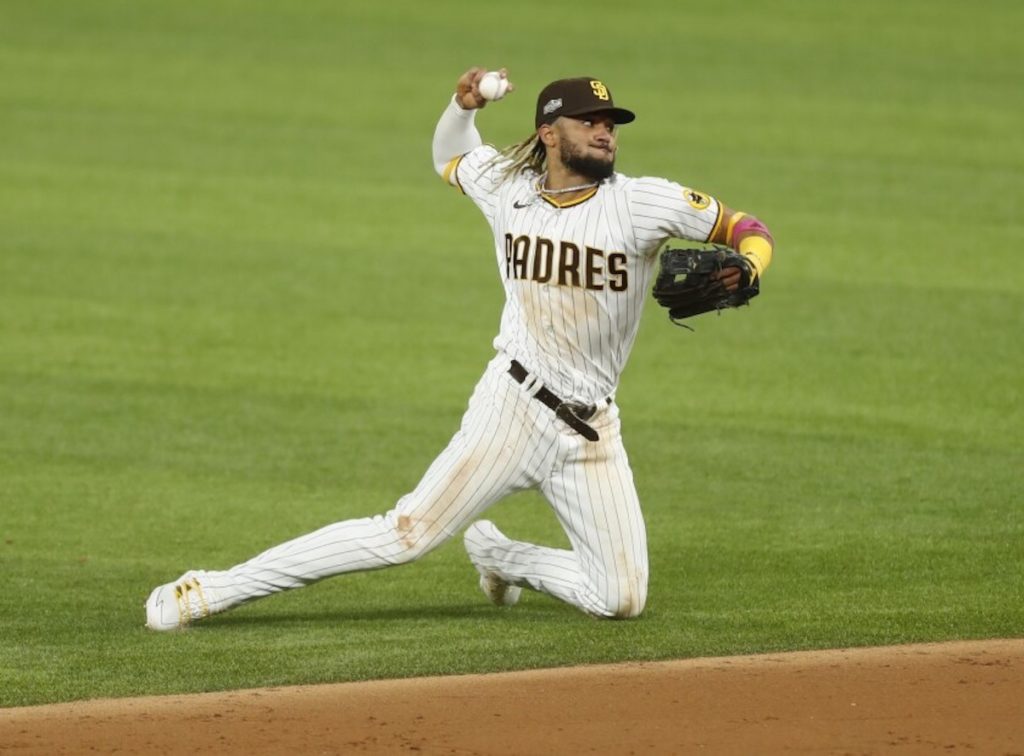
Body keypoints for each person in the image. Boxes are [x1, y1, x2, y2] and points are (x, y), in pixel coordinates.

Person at [144, 68, 774, 630]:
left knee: (621, 599)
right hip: (515, 406)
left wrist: (750, 267)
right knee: (405, 535)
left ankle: (501, 555)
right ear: (551, 133)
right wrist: (462, 106)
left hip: (592, 430)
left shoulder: (640, 203)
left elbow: (746, 227)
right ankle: (211, 589)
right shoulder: (507, 185)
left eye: (612, 124)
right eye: (591, 122)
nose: (607, 133)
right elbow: (450, 155)